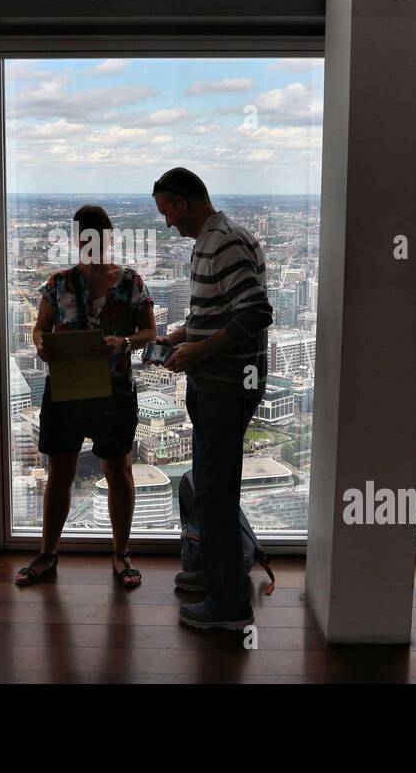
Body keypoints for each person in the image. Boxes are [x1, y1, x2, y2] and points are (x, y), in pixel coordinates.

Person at [151, 168, 273, 630]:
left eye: (166, 212)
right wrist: (187, 333)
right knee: (207, 483)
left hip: (227, 385)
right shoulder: (210, 240)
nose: (165, 223)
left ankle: (229, 605)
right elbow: (223, 308)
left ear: (182, 202)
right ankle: (215, 578)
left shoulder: (224, 241)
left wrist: (201, 348)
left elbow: (256, 311)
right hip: (214, 382)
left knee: (216, 491)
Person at [17, 205, 156, 589]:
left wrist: (123, 342)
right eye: (85, 237)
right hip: (68, 388)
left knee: (118, 470)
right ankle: (48, 552)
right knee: (60, 473)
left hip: (111, 390)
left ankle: (120, 551)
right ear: (77, 240)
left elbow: (150, 332)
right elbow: (39, 329)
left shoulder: (131, 282)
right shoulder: (58, 283)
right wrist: (42, 345)